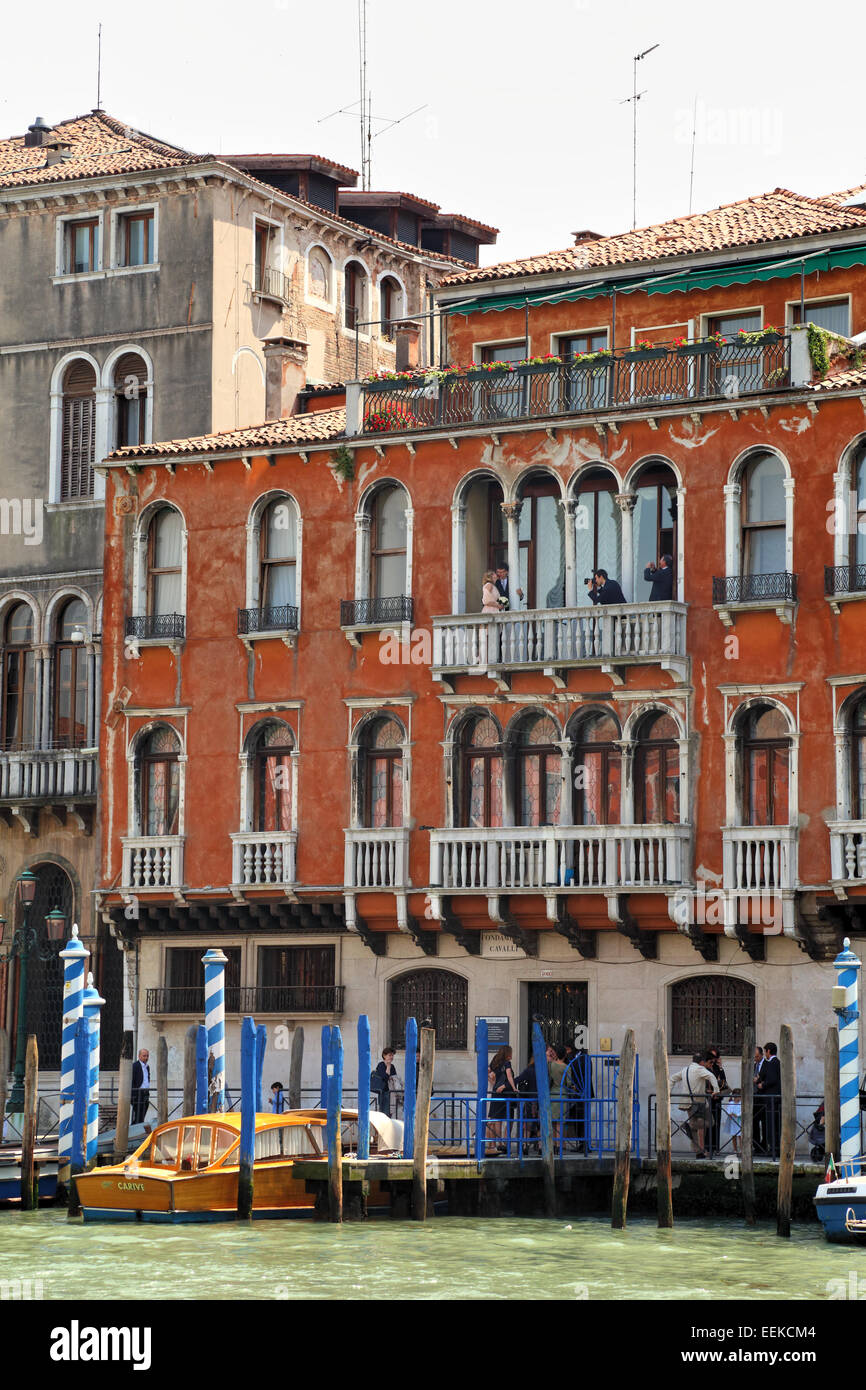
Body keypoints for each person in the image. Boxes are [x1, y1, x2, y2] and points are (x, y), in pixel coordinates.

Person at [670, 1054, 719, 1158]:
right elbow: (711, 1076)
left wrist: (669, 1091)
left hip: (687, 1103)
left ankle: (699, 1152)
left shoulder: (685, 1070)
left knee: (696, 1129)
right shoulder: (700, 1069)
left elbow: (672, 1078)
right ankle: (690, 1126)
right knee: (710, 1122)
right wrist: (716, 1090)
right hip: (699, 1103)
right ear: (701, 1062)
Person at [487, 1046, 518, 1152]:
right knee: (507, 1119)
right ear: (508, 1053)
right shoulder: (507, 1063)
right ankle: (502, 1143)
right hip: (505, 1094)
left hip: (496, 1093)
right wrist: (514, 1087)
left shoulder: (495, 1062)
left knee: (497, 1120)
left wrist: (493, 1083)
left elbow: (487, 1071)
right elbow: (509, 1077)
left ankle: (497, 1144)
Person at [757, 1042, 782, 1158]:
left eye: (765, 1051)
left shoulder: (772, 1063)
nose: (765, 1054)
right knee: (775, 1124)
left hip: (771, 1099)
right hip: (775, 1099)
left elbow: (772, 1079)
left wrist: (762, 1084)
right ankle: (774, 1148)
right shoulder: (778, 1062)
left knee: (771, 1124)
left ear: (768, 1051)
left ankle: (773, 1149)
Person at [703, 1047, 729, 1154]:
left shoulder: (717, 1068)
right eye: (712, 1056)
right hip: (708, 1099)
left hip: (717, 1100)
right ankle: (707, 1147)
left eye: (716, 1056)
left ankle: (715, 1148)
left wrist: (721, 1067)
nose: (714, 1059)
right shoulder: (705, 1068)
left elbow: (724, 1082)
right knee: (708, 1124)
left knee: (716, 1123)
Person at [546, 1044, 569, 1145]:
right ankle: (559, 1145)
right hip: (562, 1094)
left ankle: (553, 1144)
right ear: (565, 1055)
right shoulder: (566, 1067)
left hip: (552, 1093)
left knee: (553, 1121)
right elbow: (569, 1083)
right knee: (560, 1122)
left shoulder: (550, 1065)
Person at [371, 1048, 400, 1118]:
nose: (391, 1057)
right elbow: (385, 1078)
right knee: (383, 1112)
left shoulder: (392, 1066)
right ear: (384, 1055)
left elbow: (394, 1078)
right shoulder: (381, 1065)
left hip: (391, 1092)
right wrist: (388, 1067)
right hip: (383, 1092)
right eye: (389, 1055)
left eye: (392, 1055)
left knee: (391, 1111)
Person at [131, 1048, 150, 1125]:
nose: (146, 1058)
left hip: (145, 1093)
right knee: (138, 1115)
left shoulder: (147, 1067)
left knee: (143, 1114)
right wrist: (133, 1094)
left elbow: (147, 1078)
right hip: (138, 1093)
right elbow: (132, 1080)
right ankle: (135, 1128)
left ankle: (138, 1127)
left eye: (147, 1056)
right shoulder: (135, 1066)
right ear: (139, 1056)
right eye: (144, 1056)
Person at [721, 1088, 742, 1154]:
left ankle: (741, 1149)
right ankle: (735, 1150)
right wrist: (730, 1114)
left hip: (739, 1121)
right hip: (733, 1121)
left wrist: (737, 1115)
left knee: (740, 1135)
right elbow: (728, 1110)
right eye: (737, 1097)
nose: (739, 1098)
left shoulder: (741, 1103)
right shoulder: (731, 1103)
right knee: (733, 1135)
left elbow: (742, 1111)